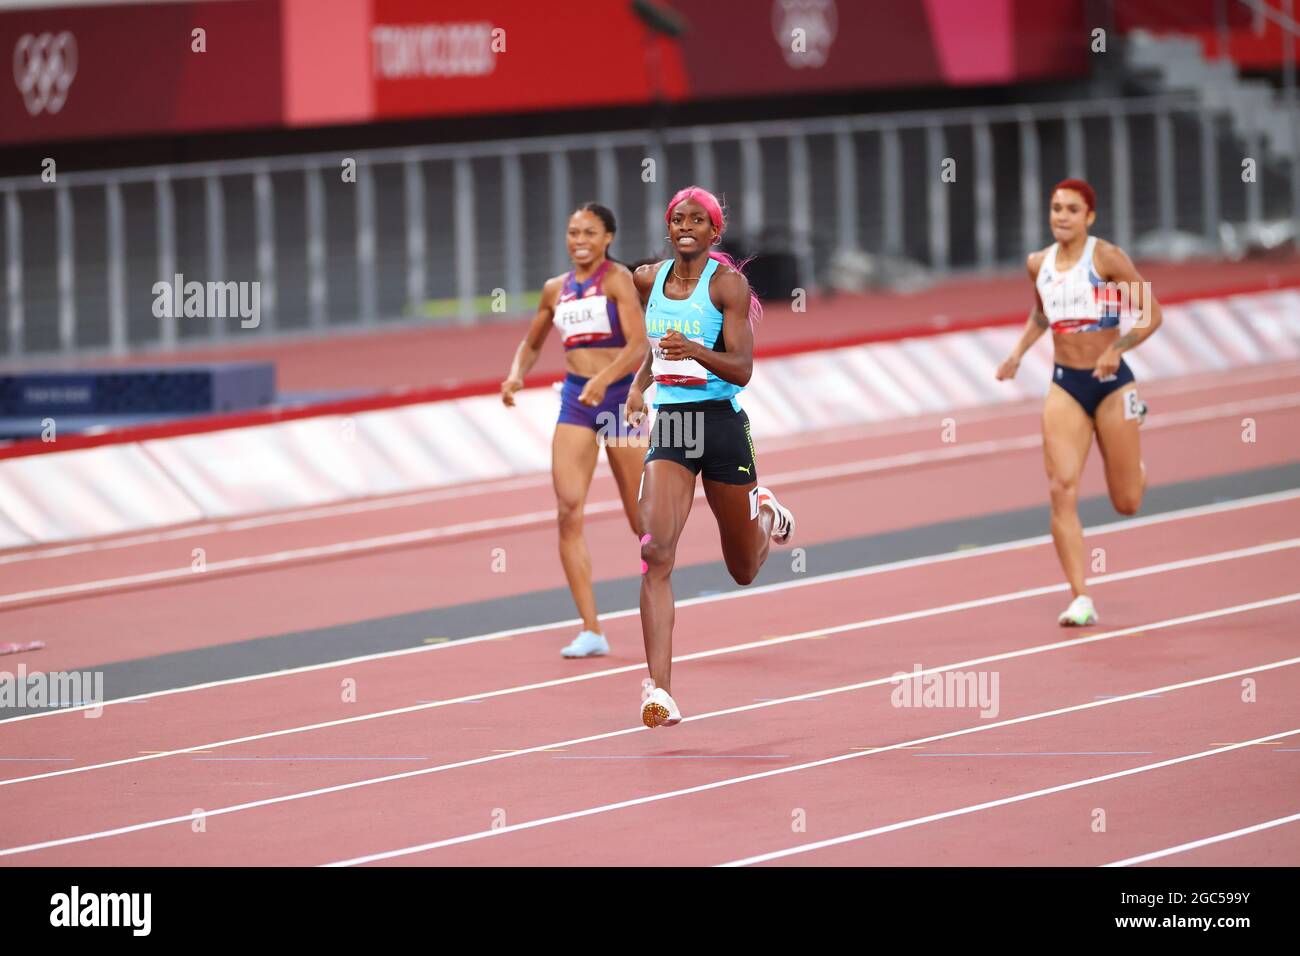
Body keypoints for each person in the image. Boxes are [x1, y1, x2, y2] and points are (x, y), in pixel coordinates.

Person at [626, 186, 795, 727]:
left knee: (743, 569)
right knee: (655, 553)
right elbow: (656, 347)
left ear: (714, 232)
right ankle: (660, 692)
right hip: (673, 427)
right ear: (667, 227)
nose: (686, 227)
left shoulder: (728, 286)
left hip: (721, 426)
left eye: (698, 220)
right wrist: (638, 385)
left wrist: (694, 349)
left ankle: (762, 512)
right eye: (678, 219)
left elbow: (742, 368)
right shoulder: (647, 279)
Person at [996, 178, 1162, 626]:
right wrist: (1017, 354)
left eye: (1072, 209)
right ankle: (1080, 597)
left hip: (1112, 385)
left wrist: (1117, 348)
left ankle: (1136, 459)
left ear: (1089, 216)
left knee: (1126, 501)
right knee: (1060, 489)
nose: (1062, 217)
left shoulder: (1106, 258)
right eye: (1055, 208)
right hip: (1066, 386)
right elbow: (1041, 313)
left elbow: (1152, 313)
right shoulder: (1038, 264)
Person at [500, 203, 649, 657]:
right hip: (576, 404)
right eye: (572, 232)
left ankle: (659, 594)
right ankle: (592, 629)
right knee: (567, 509)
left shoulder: (617, 280)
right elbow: (532, 341)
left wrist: (605, 381)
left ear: (608, 238)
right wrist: (516, 375)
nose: (579, 240)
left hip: (621, 400)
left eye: (589, 232)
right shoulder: (555, 290)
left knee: (640, 519)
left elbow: (639, 342)